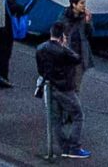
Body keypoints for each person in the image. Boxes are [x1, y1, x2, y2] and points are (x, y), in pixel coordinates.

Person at [34, 25, 87, 159]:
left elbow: (40, 70)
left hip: (49, 86)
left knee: (55, 119)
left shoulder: (40, 48)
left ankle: (64, 146)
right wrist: (64, 46)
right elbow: (77, 59)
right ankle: (74, 147)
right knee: (78, 114)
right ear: (62, 37)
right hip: (64, 87)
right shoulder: (63, 51)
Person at [0, 0, 30, 89]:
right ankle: (3, 78)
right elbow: (24, 10)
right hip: (7, 31)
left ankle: (2, 77)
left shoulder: (2, 0)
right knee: (5, 54)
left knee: (1, 54)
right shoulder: (13, 5)